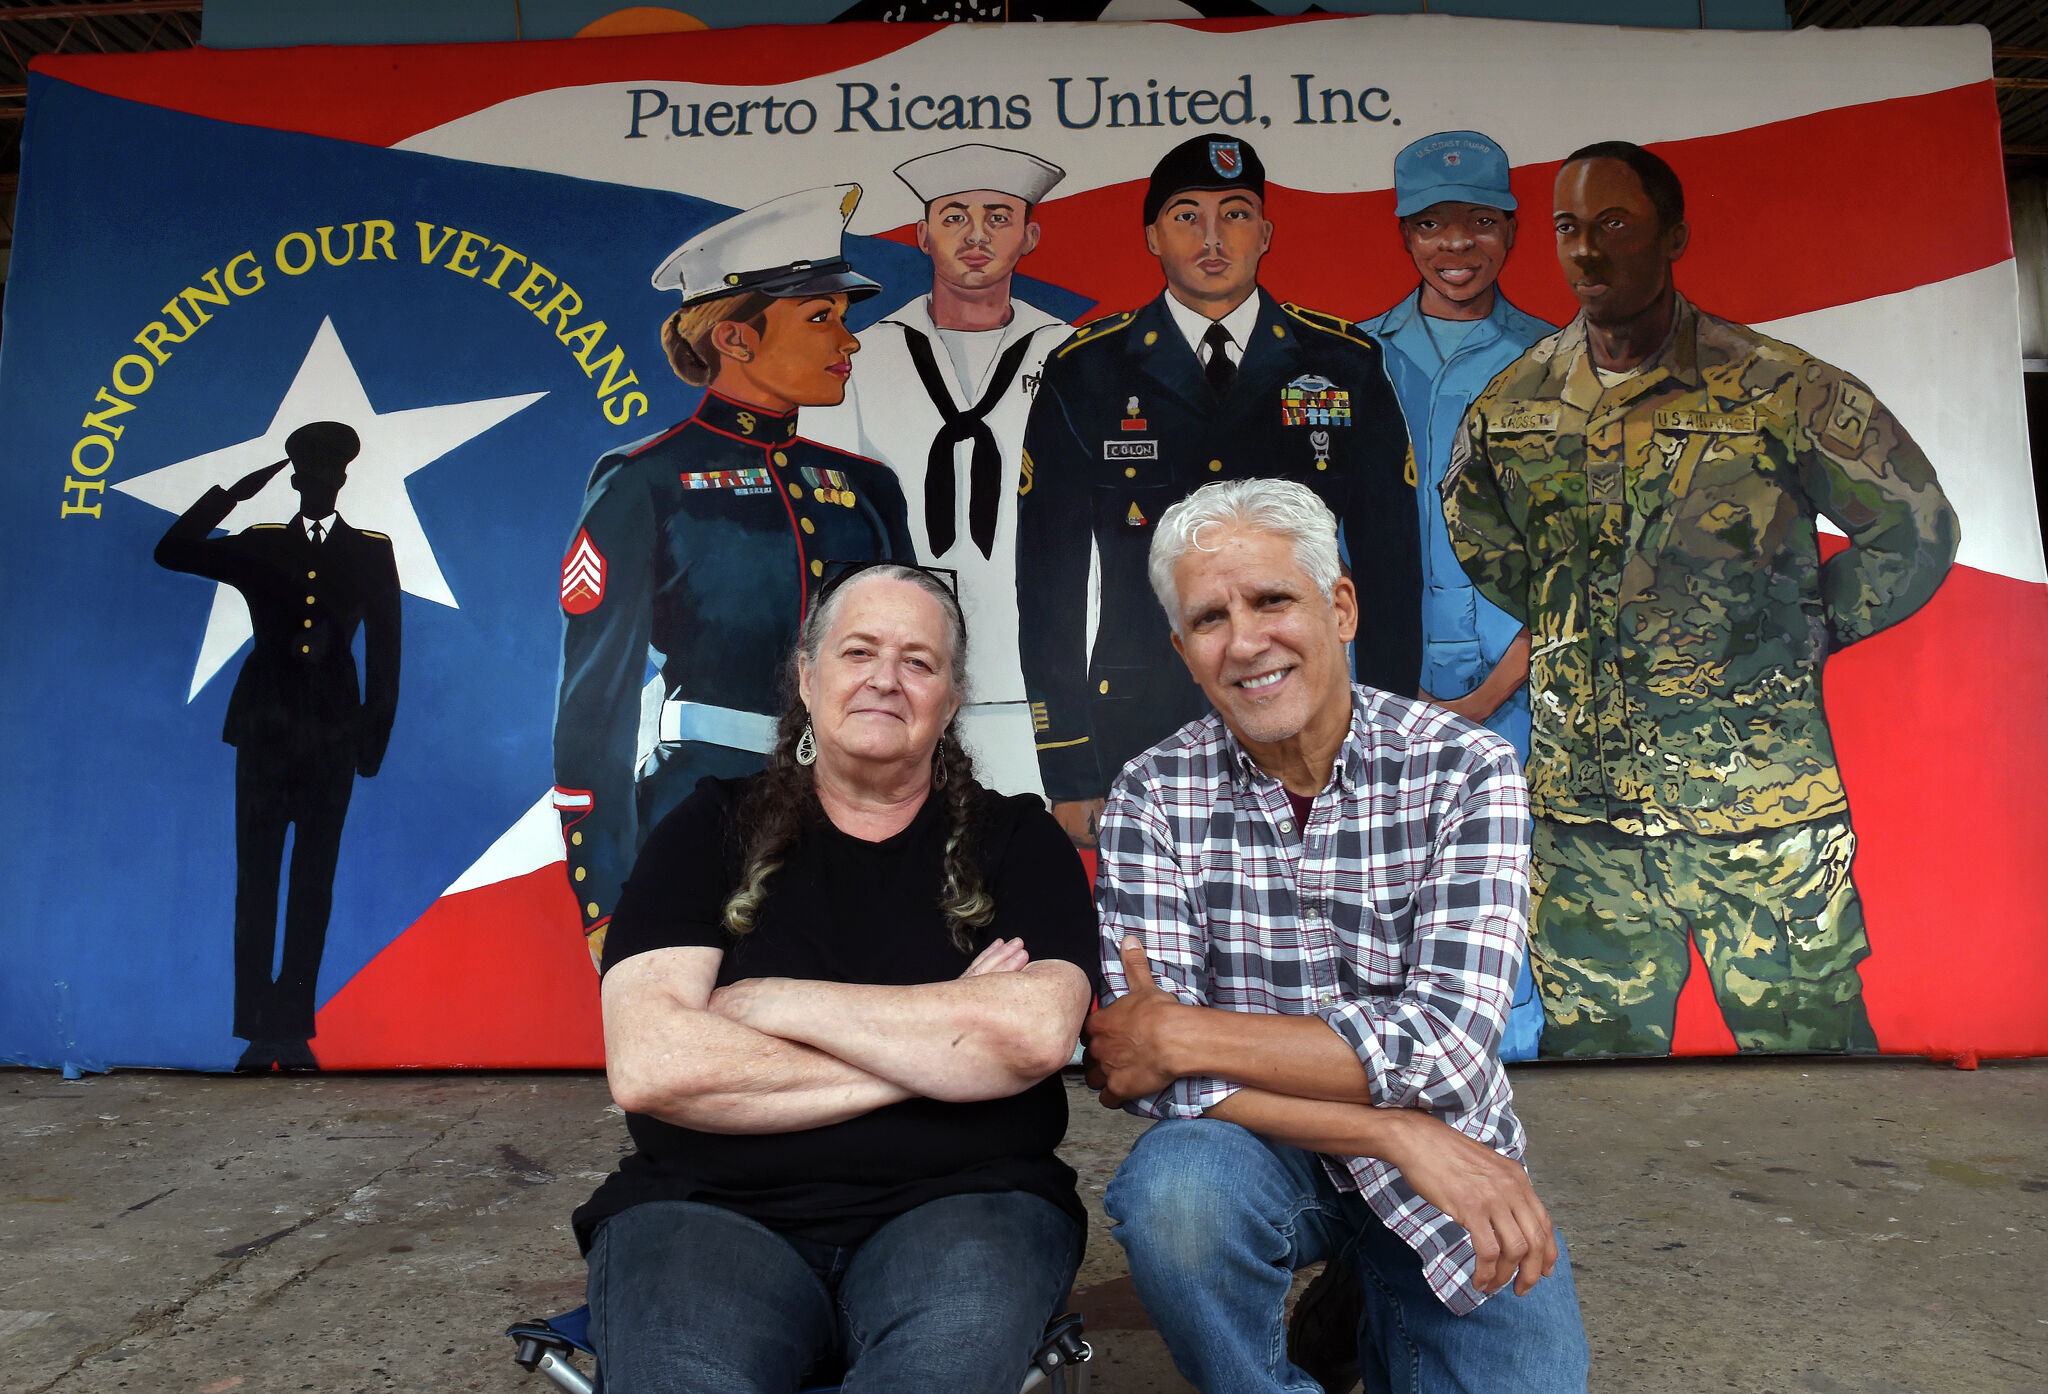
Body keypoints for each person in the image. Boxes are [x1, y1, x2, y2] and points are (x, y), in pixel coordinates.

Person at [1442, 141, 1959, 1057]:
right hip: (1585, 826)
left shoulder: (1779, 387)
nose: (1589, 254)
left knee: (1816, 1079)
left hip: (1760, 815)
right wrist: (1588, 619)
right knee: (1599, 1099)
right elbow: (1487, 542)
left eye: (1615, 226)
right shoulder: (1512, 407)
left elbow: (1913, 530)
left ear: (1673, 236)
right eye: (1568, 230)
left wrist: (1793, 627)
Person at [1083, 478, 1588, 1394]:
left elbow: (1446, 1053)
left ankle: (1357, 1299)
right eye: (1209, 619)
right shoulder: (1151, 796)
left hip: (1453, 1166)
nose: (1245, 642)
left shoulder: (1466, 769)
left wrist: (1182, 1033)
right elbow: (1137, 1076)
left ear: (1341, 605)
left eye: (1273, 599)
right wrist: (1393, 1136)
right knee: (1177, 1196)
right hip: (1271, 1151)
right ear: (1182, 650)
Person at [573, 561, 1098, 1393]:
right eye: (859, 653)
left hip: (969, 1206)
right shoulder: (709, 826)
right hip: (705, 1211)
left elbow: (1035, 1035)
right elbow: (651, 1065)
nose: (886, 680)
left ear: (952, 698)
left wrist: (773, 1003)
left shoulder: (1019, 841)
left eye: (919, 662)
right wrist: (950, 1037)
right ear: (807, 678)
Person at [1016, 133, 1419, 847]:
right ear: (1151, 235)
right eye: (1185, 216)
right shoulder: (1088, 370)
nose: (1211, 237)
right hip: (1141, 723)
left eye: (1233, 214)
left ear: (1264, 233)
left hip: (1310, 714)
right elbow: (1048, 583)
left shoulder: (1341, 363)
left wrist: (1389, 748)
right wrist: (1072, 766)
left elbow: (1390, 571)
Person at [552, 184, 914, 963]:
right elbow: (595, 708)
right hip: (706, 816)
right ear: (734, 339)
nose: (847, 342)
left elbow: (917, 670)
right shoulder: (645, 481)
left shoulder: (867, 488)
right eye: (820, 319)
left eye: (843, 320)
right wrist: (606, 894)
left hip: (864, 818)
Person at [1359, 130, 1554, 1068]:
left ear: (1511, 233)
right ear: (1404, 237)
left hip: (1514, 675)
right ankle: (1393, 1056)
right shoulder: (1355, 359)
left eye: (1480, 222)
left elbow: (1575, 557)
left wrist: (1484, 700)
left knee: (1498, 869)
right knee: (1381, 869)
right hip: (1379, 673)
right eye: (1432, 224)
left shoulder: (1559, 364)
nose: (1456, 245)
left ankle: (1504, 1060)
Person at [802, 143, 1071, 798]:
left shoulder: (1074, 355)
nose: (976, 235)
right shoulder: (859, 362)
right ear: (921, 234)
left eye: (998, 216)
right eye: (953, 216)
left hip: (1040, 685)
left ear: (1030, 235)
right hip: (899, 689)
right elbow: (826, 533)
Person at [154, 421, 400, 1072]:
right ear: (293, 482)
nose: (317, 489)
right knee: (256, 882)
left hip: (332, 737)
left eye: (328, 480)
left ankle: (290, 1030)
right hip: (264, 733)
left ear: (342, 483)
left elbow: (386, 652)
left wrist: (370, 742)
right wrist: (228, 497)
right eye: (307, 480)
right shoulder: (260, 546)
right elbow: (172, 551)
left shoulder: (372, 551)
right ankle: (257, 1029)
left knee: (312, 884)